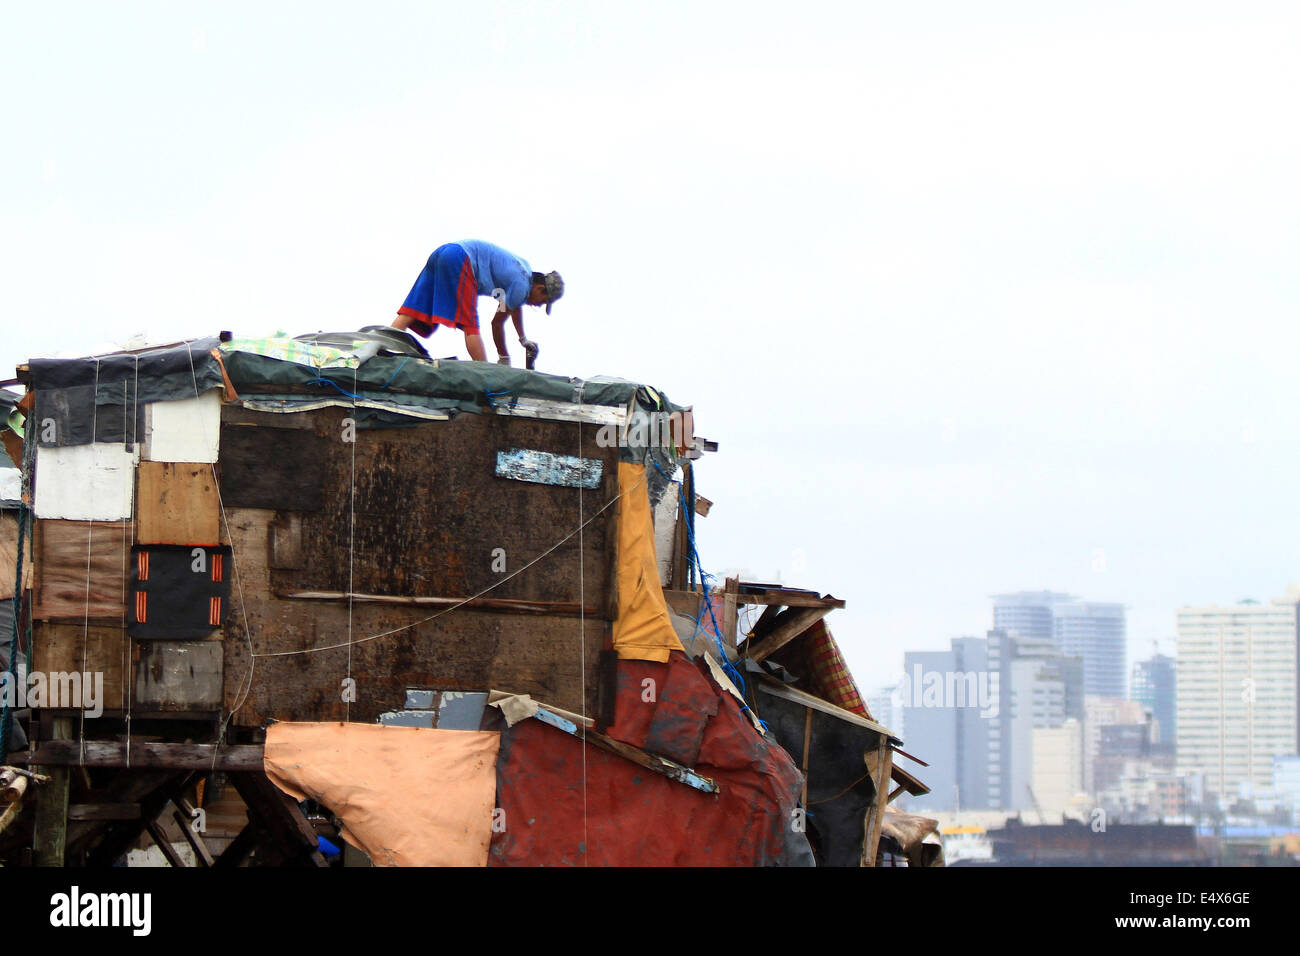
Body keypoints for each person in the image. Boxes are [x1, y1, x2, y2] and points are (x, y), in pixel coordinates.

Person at [392, 240, 563, 367]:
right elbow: (498, 323)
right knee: (470, 325)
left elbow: (513, 308)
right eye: (543, 302)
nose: (538, 306)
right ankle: (484, 374)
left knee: (413, 310)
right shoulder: (520, 286)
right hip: (462, 260)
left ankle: (385, 343)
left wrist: (522, 339)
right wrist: (504, 358)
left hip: (444, 252)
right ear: (540, 288)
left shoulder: (522, 272)